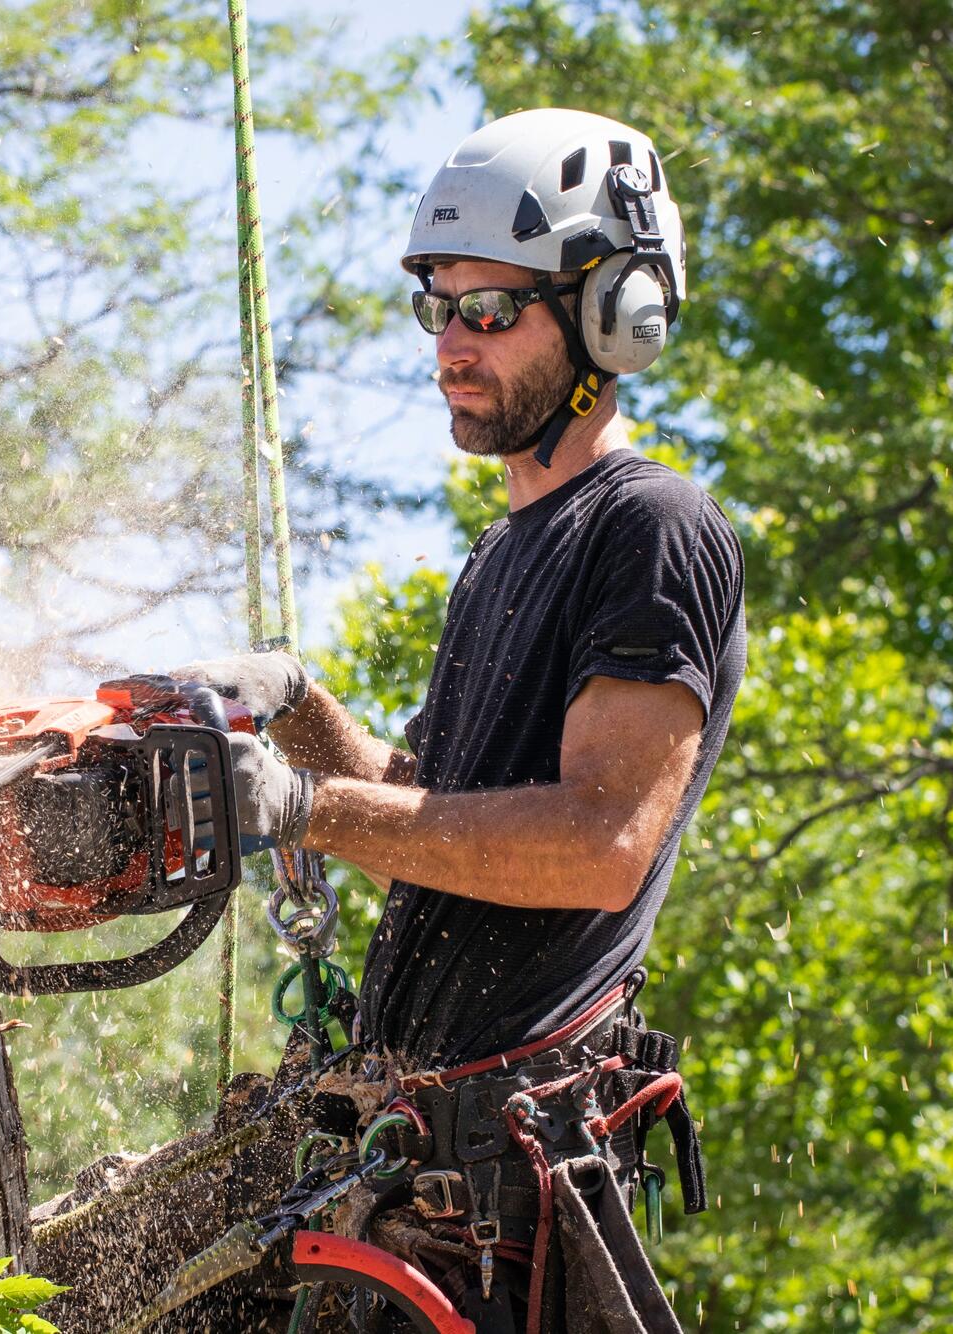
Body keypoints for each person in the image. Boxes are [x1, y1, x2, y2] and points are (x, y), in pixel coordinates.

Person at [169, 107, 747, 1332]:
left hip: (506, 1206)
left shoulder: (652, 530)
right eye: (440, 307)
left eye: (490, 310)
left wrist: (308, 808)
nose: (451, 345)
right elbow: (434, 801)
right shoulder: (500, 554)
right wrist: (301, 717)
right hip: (404, 1164)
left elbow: (597, 843)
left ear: (612, 316)